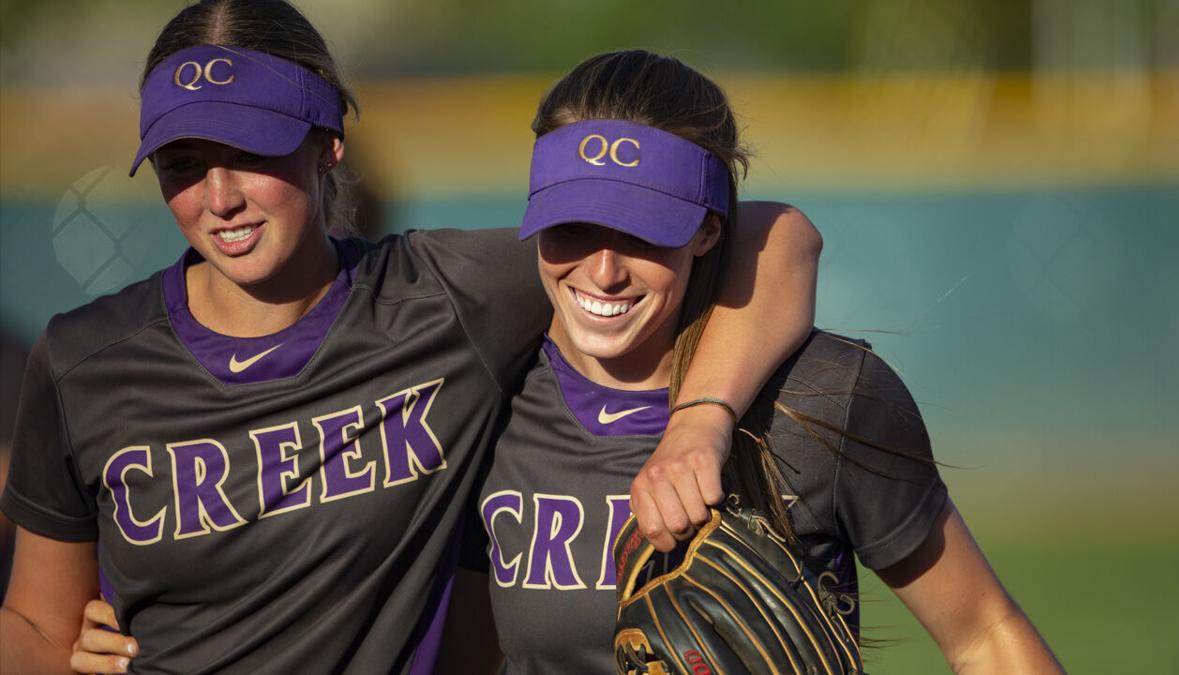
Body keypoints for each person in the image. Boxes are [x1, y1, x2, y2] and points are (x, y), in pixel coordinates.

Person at [0, 3, 823, 674]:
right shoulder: (85, 361)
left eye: (251, 151)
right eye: (182, 162)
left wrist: (697, 424)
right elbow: (37, 627)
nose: (218, 196)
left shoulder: (449, 298)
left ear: (329, 145)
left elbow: (775, 234)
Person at [423, 50, 1063, 673]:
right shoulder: (488, 389)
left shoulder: (816, 398)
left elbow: (984, 635)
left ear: (708, 229)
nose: (604, 271)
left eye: (643, 232)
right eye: (572, 226)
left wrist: (701, 420)